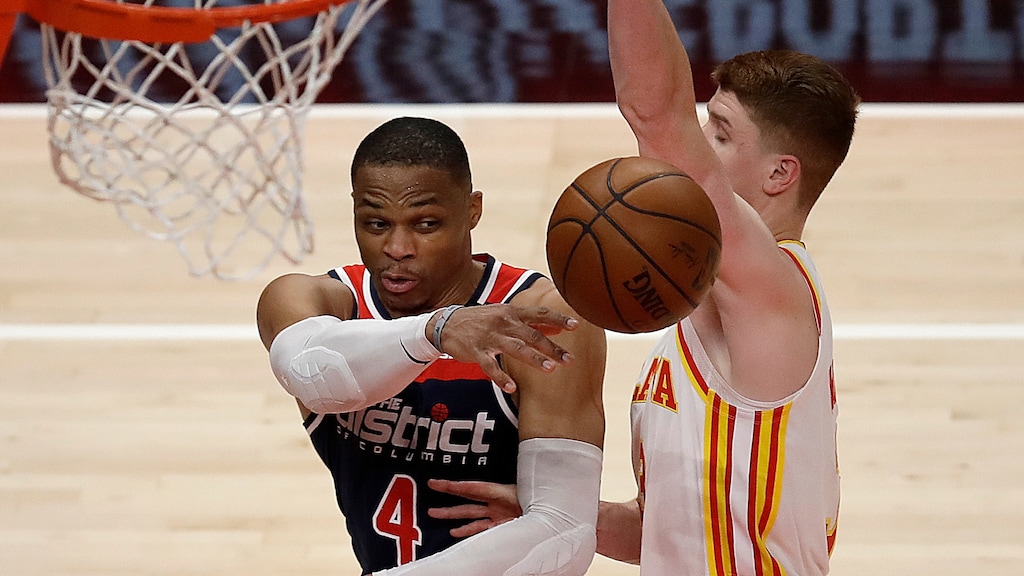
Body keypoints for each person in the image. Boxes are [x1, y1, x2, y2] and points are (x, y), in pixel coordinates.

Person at [431, 2, 859, 574]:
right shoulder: (718, 311)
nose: (698, 147)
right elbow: (660, 531)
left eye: (720, 135)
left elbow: (656, 116)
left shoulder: (771, 293)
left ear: (779, 174)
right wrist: (557, 514)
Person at [256, 116, 607, 576]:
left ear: (473, 210)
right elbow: (311, 373)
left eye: (426, 224)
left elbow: (565, 533)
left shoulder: (539, 317)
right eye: (376, 223)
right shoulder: (312, 301)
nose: (398, 247)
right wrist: (435, 331)